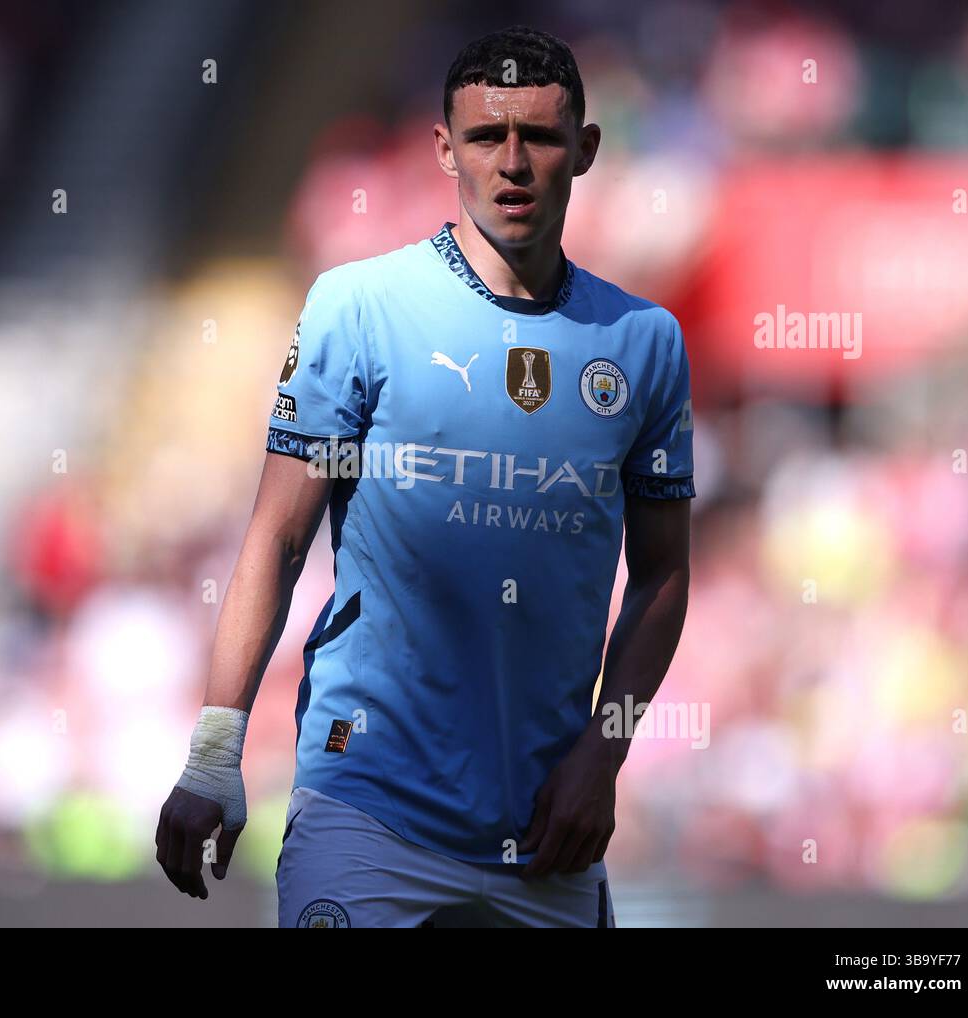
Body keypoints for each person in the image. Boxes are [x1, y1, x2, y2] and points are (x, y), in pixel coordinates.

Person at [156, 24, 694, 927]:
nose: (513, 164)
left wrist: (604, 755)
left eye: (542, 137)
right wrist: (216, 751)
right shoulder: (359, 307)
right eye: (487, 138)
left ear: (587, 150)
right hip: (367, 810)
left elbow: (665, 573)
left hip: (547, 832)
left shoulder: (643, 343)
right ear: (445, 148)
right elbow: (279, 536)